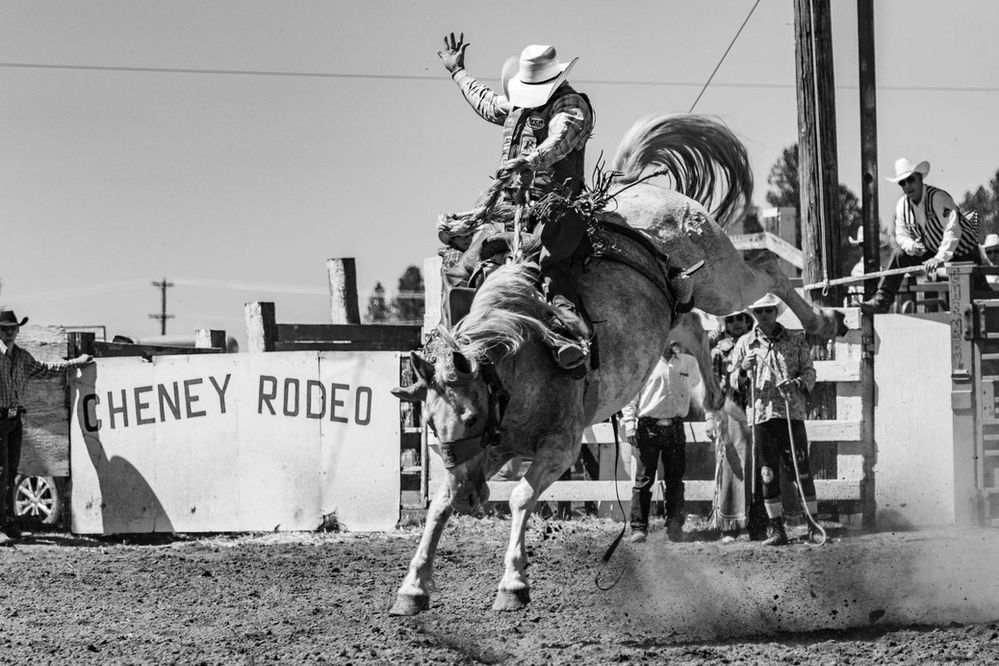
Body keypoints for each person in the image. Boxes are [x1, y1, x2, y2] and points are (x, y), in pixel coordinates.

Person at [438, 32, 595, 370]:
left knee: (551, 264)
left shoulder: (571, 106)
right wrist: (458, 72)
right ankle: (450, 341)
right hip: (510, 208)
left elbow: (561, 137)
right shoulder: (518, 106)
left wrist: (532, 159)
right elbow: (486, 102)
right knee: (463, 267)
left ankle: (566, 337)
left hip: (556, 206)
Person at [729, 294, 818, 547]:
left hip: (790, 413)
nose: (764, 316)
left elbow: (810, 371)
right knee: (767, 473)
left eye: (768, 311)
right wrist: (744, 370)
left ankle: (812, 524)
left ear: (775, 312)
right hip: (761, 415)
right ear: (754, 315)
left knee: (800, 470)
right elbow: (734, 381)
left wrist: (797, 383)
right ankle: (776, 528)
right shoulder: (745, 343)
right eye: (759, 312)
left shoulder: (796, 339)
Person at [0, 310, 92, 543]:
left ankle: (9, 525)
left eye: (12, 328)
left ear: (18, 330)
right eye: (4, 329)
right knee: (1, 474)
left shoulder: (22, 357)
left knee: (10, 474)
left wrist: (75, 363)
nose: (9, 332)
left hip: (13, 420)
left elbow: (47, 368)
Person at [861, 157, 981, 314]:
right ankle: (881, 301)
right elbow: (901, 235)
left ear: (920, 178)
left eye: (910, 180)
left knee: (979, 297)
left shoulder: (939, 198)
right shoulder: (902, 205)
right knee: (899, 254)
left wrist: (939, 257)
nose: (907, 186)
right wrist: (912, 246)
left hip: (963, 251)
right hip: (932, 250)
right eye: (902, 183)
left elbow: (952, 230)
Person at [621, 342, 701, 543]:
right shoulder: (644, 362)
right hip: (648, 426)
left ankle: (674, 525)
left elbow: (699, 390)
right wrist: (630, 424)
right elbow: (631, 397)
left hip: (675, 425)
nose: (670, 341)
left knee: (675, 478)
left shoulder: (688, 362)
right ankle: (638, 527)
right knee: (644, 479)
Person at [707, 310, 765, 542]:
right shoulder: (719, 351)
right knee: (732, 464)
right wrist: (711, 417)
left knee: (758, 463)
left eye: (740, 318)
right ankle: (729, 523)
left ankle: (758, 522)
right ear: (725, 324)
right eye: (731, 320)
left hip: (757, 407)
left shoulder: (757, 343)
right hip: (731, 410)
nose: (737, 323)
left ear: (748, 320)